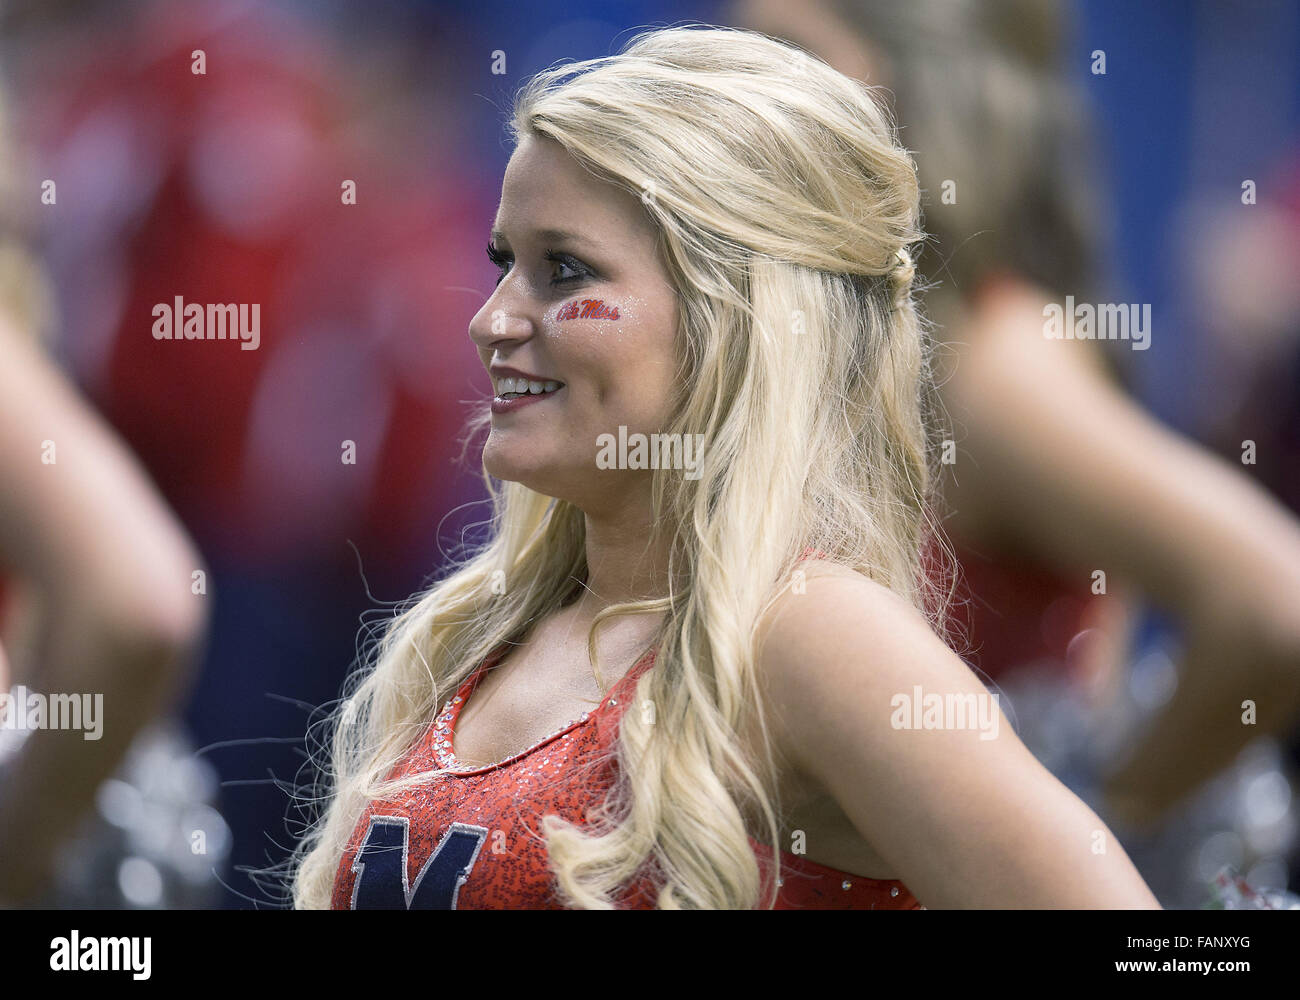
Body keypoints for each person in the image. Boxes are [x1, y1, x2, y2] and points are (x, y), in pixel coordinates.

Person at [290, 24, 1160, 909]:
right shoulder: (473, 629)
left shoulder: (808, 637)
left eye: (564, 269)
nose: (492, 319)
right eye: (504, 262)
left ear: (733, 317)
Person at [731, 0, 1300, 836]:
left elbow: (1270, 608)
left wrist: (1091, 834)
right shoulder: (848, 347)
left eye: (788, 54)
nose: (731, 96)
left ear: (913, 92)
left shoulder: (986, 361)